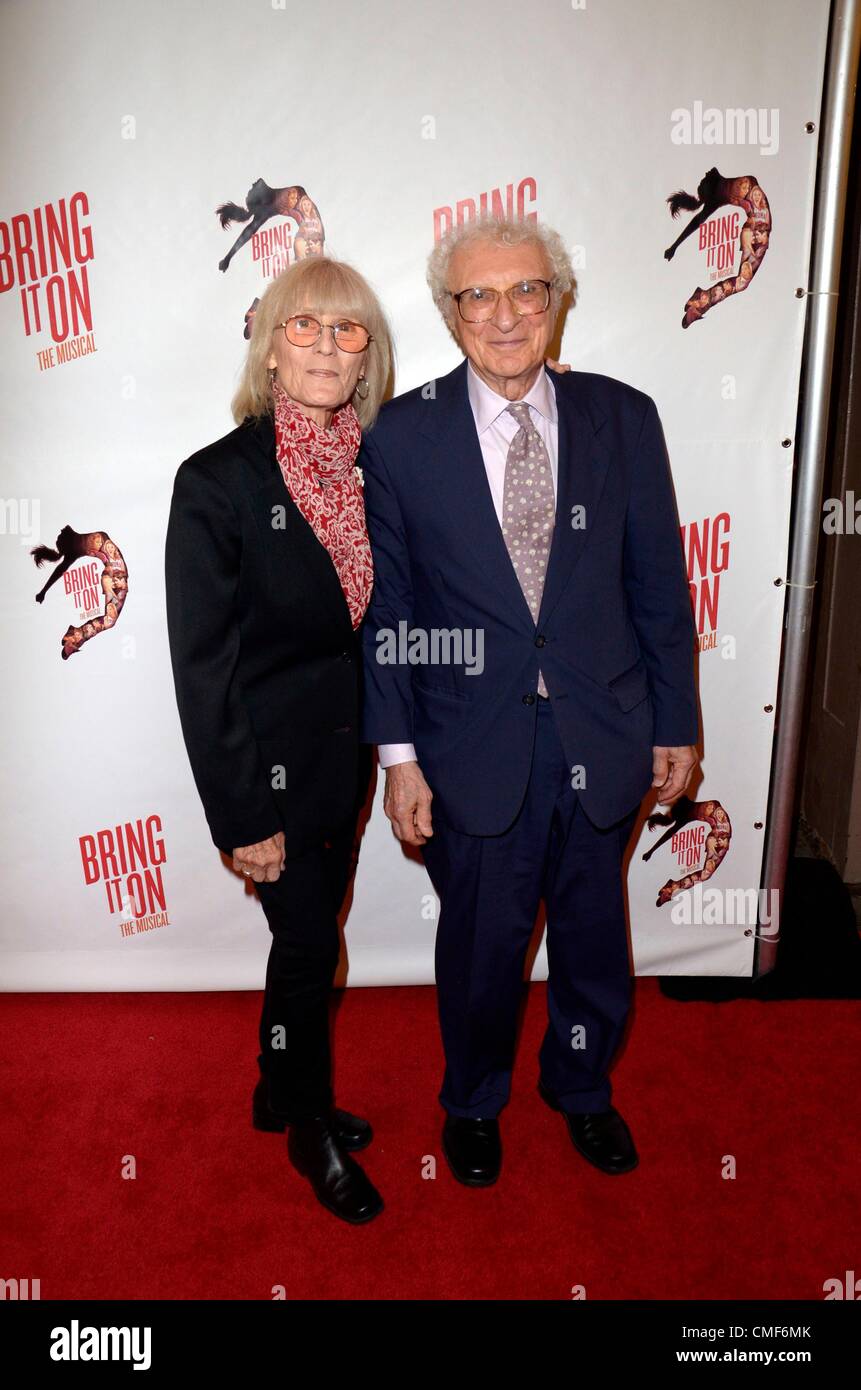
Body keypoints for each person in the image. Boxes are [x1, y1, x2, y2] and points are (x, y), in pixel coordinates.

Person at [360, 215, 699, 1187]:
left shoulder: (622, 417)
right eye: (479, 295)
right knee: (481, 947)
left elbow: (659, 585)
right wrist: (400, 759)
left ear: (556, 301)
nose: (505, 315)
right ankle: (473, 1099)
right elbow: (394, 610)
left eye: (526, 291)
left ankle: (582, 1089)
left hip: (607, 729)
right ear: (449, 312)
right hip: (469, 744)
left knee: (595, 940)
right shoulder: (403, 432)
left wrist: (675, 719)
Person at [165, 256, 393, 1223]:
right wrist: (242, 814)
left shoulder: (369, 468)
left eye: (347, 331)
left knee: (311, 940)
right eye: (305, 327)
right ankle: (307, 1126)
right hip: (267, 776)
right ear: (269, 348)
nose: (328, 347)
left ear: (366, 356)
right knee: (307, 951)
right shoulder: (216, 482)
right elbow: (201, 667)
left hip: (342, 763)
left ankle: (274, 1086)